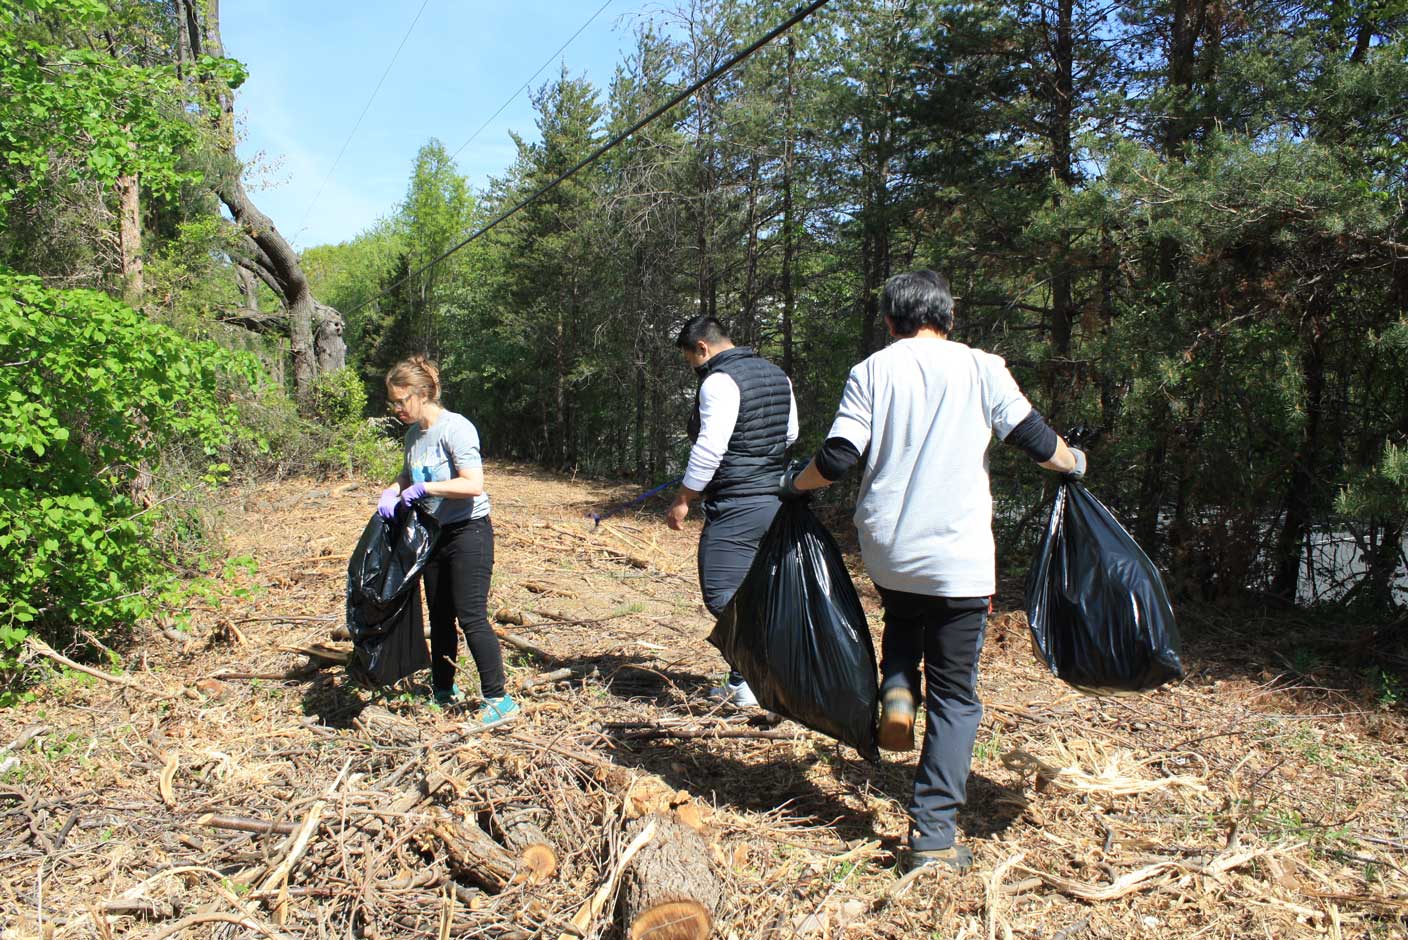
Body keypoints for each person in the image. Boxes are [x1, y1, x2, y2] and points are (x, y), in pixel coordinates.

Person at [779, 270, 1085, 873]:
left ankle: (896, 685)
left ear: (891, 322)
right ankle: (935, 835)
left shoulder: (873, 370)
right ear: (948, 316)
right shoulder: (983, 368)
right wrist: (1075, 462)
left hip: (889, 546)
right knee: (956, 693)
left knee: (904, 612)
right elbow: (1034, 438)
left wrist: (794, 486)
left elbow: (839, 457)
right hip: (958, 554)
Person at [377, 355, 518, 729]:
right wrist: (392, 491)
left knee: (470, 614)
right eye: (392, 401)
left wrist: (428, 487)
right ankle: (443, 689)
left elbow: (473, 483)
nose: (396, 408)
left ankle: (499, 699)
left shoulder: (456, 429)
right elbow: (408, 475)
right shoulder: (413, 436)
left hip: (469, 531)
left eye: (401, 400)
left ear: (422, 394)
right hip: (433, 533)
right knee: (439, 615)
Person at [667, 315, 799, 707]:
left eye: (689, 358)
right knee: (752, 589)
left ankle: (769, 673)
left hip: (738, 502)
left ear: (702, 348)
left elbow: (709, 448)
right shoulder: (778, 375)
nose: (691, 365)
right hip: (775, 499)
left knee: (720, 592)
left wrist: (683, 499)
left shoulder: (719, 382)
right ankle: (743, 681)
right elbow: (790, 434)